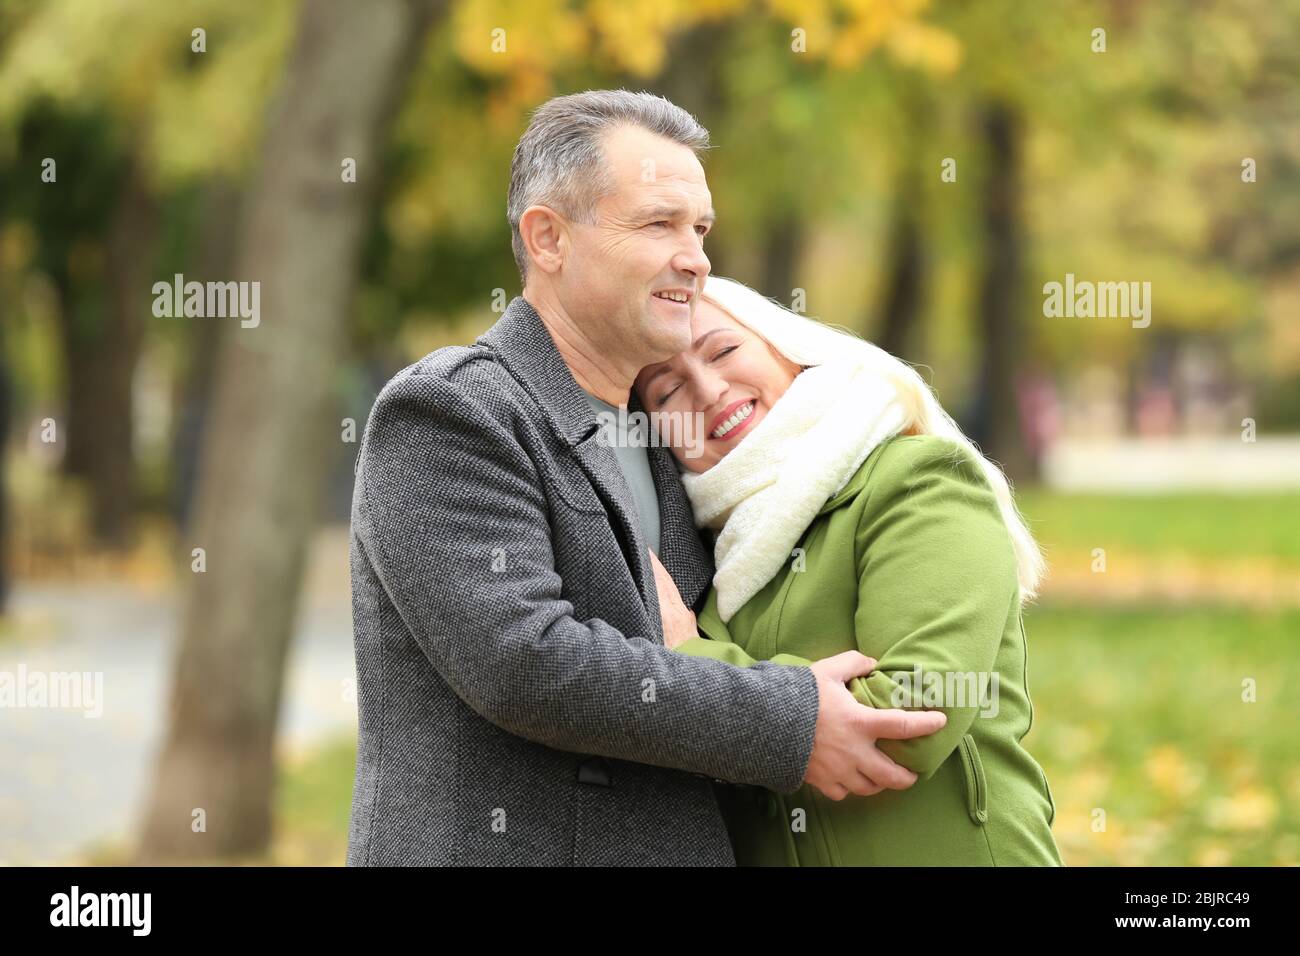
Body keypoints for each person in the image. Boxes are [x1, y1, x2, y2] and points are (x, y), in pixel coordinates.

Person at [346, 90, 944, 866]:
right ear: (549, 238)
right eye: (659, 223)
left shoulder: (667, 436)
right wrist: (788, 721)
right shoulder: (452, 411)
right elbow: (524, 661)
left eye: (700, 229)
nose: (694, 256)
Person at [634, 275, 1063, 865]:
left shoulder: (916, 479)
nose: (707, 391)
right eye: (666, 392)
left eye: (724, 351)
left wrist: (689, 657)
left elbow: (915, 713)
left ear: (787, 348)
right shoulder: (714, 550)